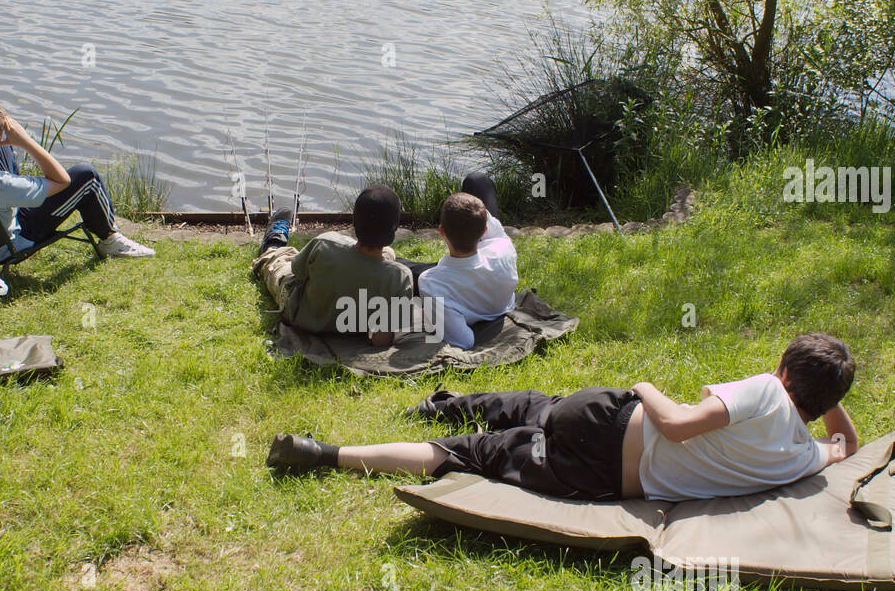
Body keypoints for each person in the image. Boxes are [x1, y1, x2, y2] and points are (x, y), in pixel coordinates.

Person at [266, 332, 860, 502]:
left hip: (612, 423)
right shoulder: (803, 458)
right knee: (468, 453)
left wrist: (646, 386)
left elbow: (677, 423)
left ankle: (436, 402)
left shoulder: (765, 391)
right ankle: (325, 455)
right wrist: (822, 395)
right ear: (821, 401)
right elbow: (846, 445)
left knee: (535, 406)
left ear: (784, 374)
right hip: (598, 481)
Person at [0, 101, 154, 263]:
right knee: (86, 175)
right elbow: (62, 180)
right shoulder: (1, 184)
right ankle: (109, 239)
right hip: (5, 244)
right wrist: (25, 141)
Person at [251, 186, 413, 343]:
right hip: (351, 333)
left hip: (300, 316)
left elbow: (297, 271)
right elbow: (381, 340)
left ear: (355, 221)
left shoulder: (326, 243)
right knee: (388, 254)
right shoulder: (401, 277)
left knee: (281, 263)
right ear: (394, 229)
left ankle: (272, 245)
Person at [412, 182, 518, 349]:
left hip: (453, 281)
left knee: (407, 270)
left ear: (441, 232)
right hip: (488, 292)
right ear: (484, 231)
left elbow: (463, 341)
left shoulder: (431, 282)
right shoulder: (503, 248)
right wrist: (468, 208)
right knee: (476, 179)